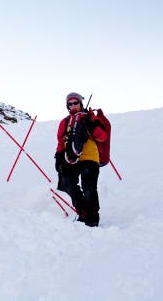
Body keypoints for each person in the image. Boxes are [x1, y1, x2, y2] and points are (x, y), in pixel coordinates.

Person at [54, 92, 108, 227]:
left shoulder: (90, 118)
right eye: (69, 104)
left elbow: (103, 136)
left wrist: (90, 124)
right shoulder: (65, 122)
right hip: (71, 158)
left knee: (89, 187)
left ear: (80, 103)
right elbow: (61, 141)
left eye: (75, 103)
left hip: (90, 157)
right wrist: (59, 157)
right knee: (67, 184)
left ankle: (92, 218)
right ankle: (83, 211)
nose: (72, 106)